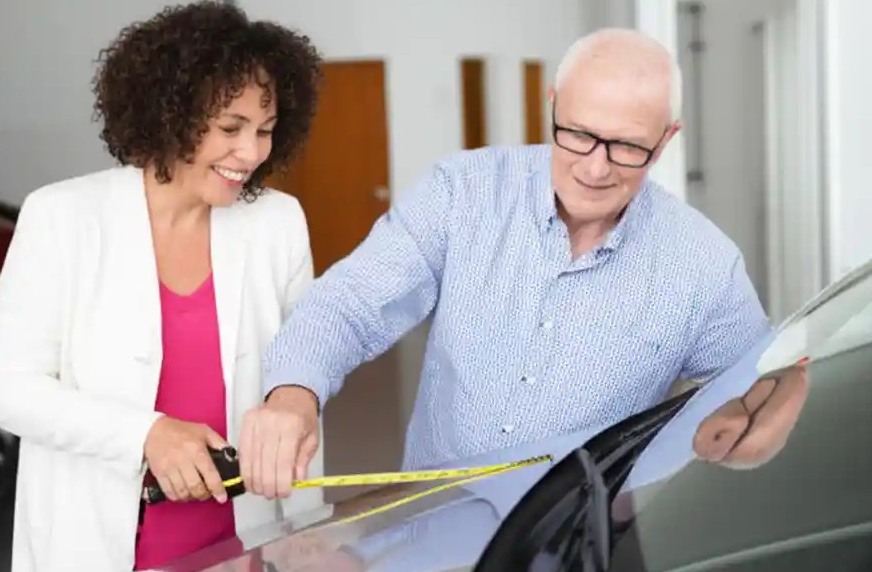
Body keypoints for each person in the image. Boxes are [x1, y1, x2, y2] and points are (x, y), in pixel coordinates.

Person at [238, 27, 771, 499]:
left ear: (666, 139)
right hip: (432, 532)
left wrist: (743, 426)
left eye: (628, 147)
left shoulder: (706, 266)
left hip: (584, 552)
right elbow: (351, 303)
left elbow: (761, 397)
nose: (595, 169)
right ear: (552, 104)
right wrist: (293, 394)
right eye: (578, 134)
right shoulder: (461, 193)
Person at [0, 0, 325, 572]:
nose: (250, 153)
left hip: (251, 542)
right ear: (172, 114)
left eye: (265, 130)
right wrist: (146, 435)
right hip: (110, 557)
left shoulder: (278, 222)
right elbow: (4, 385)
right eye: (231, 127)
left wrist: (299, 405)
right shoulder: (63, 217)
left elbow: (305, 360)